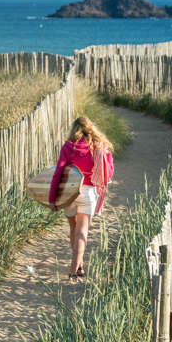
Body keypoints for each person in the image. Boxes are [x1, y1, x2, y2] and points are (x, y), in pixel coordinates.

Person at [48, 116, 115, 280]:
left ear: (74, 129)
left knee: (73, 229)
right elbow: (109, 172)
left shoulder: (68, 146)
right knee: (82, 232)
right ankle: (74, 268)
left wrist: (52, 198)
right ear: (91, 128)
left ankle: (79, 265)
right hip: (88, 191)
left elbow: (58, 173)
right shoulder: (99, 147)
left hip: (69, 191)